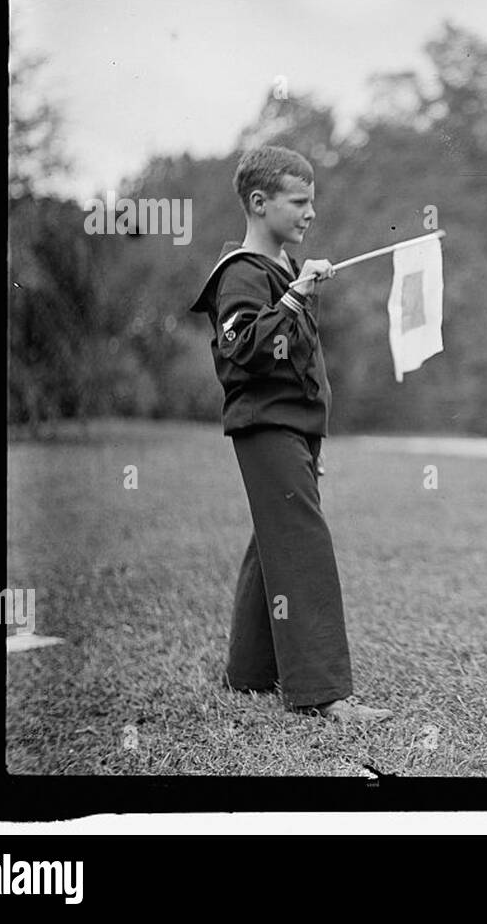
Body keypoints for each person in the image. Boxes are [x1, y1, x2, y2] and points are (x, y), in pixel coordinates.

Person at [189, 144, 391, 724]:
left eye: (312, 202)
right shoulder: (241, 275)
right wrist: (297, 295)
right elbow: (244, 351)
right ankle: (323, 692)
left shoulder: (277, 273)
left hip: (292, 432)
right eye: (298, 201)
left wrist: (310, 444)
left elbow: (298, 366)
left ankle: (249, 673)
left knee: (273, 538)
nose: (310, 213)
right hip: (264, 429)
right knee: (302, 547)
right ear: (259, 203)